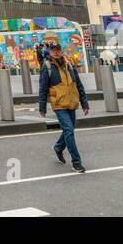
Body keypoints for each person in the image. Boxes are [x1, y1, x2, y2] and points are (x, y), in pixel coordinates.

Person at [37, 40, 90, 172]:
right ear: (49, 51)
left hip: (72, 102)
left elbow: (78, 84)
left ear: (61, 51)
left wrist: (84, 103)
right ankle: (76, 162)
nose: (56, 52)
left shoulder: (69, 65)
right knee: (69, 130)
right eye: (53, 50)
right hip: (59, 104)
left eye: (58, 50)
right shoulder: (47, 66)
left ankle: (58, 147)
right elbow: (42, 88)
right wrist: (42, 107)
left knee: (69, 130)